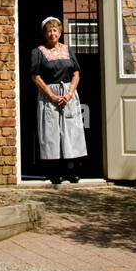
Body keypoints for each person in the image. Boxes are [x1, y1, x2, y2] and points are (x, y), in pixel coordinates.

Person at [31, 15, 86, 183]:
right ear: (44, 33)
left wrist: (69, 94)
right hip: (49, 95)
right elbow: (35, 76)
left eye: (55, 30)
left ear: (60, 32)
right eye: (49, 30)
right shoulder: (38, 52)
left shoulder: (68, 50)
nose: (52, 33)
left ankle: (71, 170)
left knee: (71, 129)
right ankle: (54, 171)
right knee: (51, 131)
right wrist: (52, 95)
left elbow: (76, 73)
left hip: (68, 94)